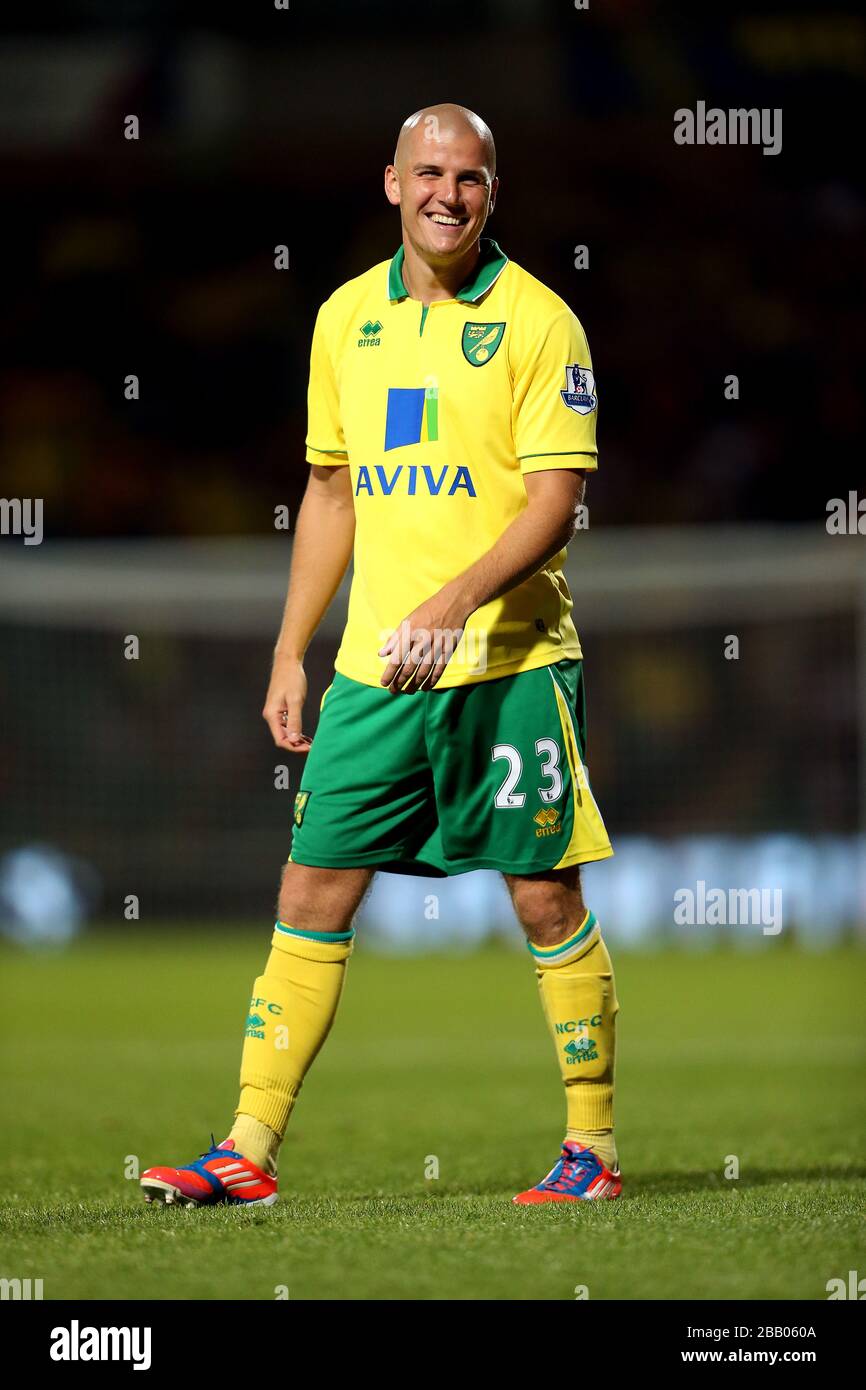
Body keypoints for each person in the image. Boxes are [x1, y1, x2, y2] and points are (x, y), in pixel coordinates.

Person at [141, 102, 620, 1209]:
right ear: (391, 184)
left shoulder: (541, 322)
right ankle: (246, 1150)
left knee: (544, 899)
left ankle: (589, 1149)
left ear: (492, 192)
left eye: (470, 177)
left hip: (508, 664)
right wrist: (289, 649)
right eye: (429, 173)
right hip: (372, 672)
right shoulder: (343, 318)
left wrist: (454, 603)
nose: (448, 194)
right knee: (310, 887)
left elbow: (556, 501)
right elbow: (326, 490)